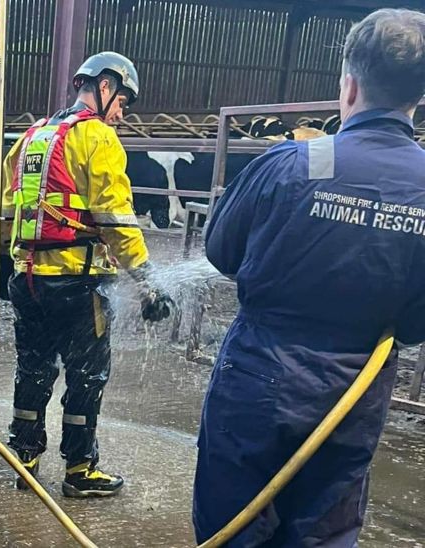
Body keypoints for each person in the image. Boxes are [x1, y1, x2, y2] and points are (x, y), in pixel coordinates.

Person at [194, 8, 425, 546]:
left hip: (259, 379)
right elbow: (416, 324)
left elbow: (222, 251)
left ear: (349, 85)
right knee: (321, 533)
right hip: (357, 391)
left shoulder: (305, 159)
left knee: (233, 527)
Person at [1, 52, 173, 498]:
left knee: (33, 369)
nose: (121, 113)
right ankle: (80, 469)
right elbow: (117, 219)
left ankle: (25, 458)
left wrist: (18, 262)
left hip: (27, 280)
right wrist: (148, 282)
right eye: (122, 101)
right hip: (78, 285)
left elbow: (8, 210)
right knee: (87, 376)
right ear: (105, 86)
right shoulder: (97, 137)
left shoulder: (30, 138)